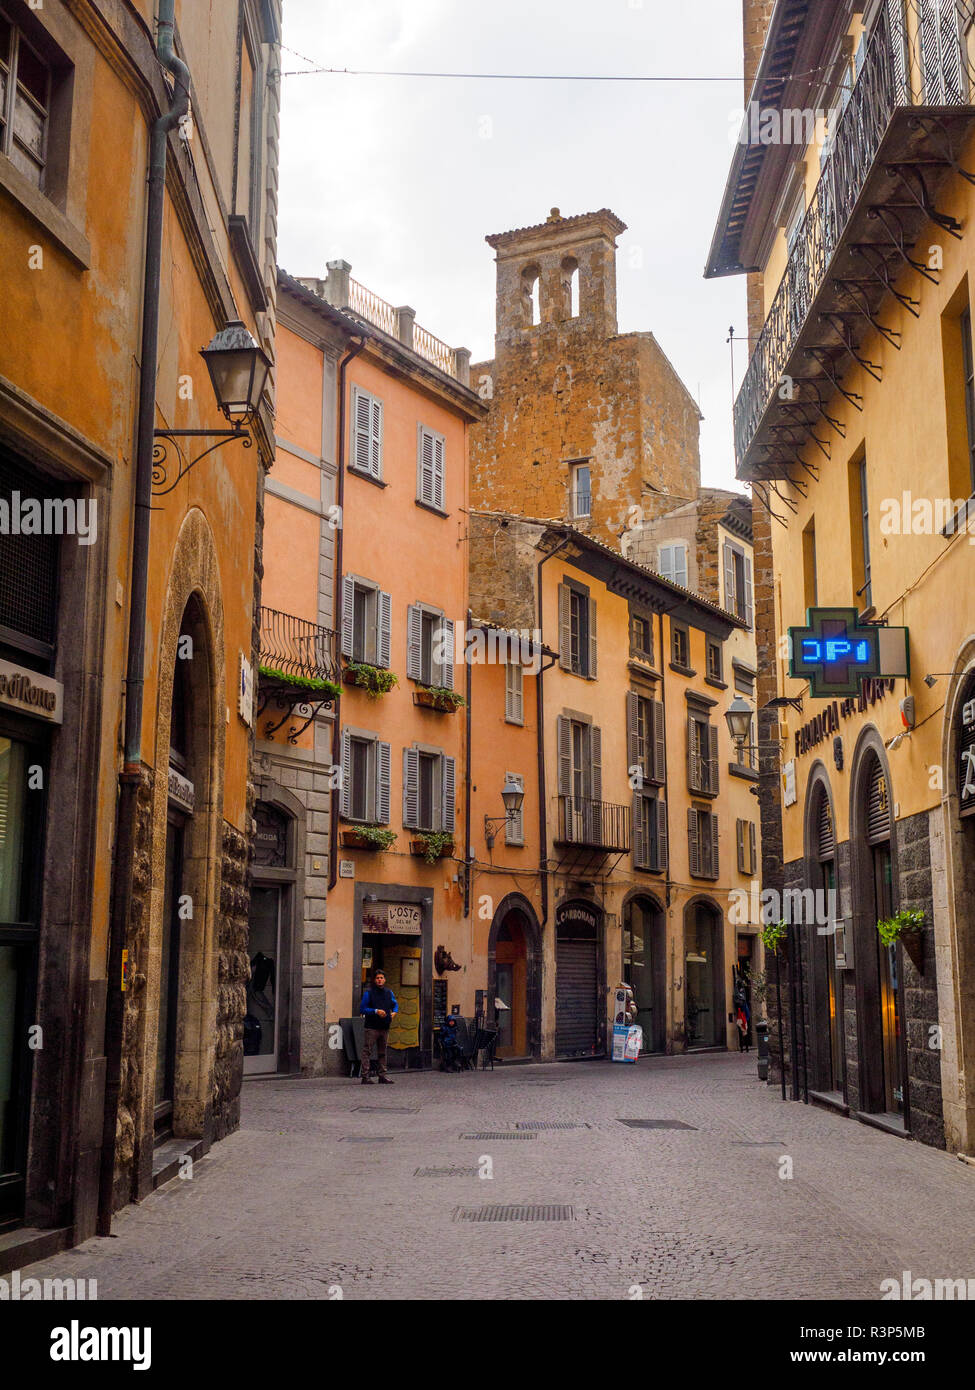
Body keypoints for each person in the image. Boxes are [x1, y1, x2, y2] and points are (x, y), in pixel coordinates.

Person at [359, 969, 398, 1083]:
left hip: (384, 1026)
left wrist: (394, 1012)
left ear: (384, 980)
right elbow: (362, 1009)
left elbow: (395, 1004)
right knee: (367, 1051)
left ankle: (382, 1075)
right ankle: (365, 1076)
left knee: (382, 1052)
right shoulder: (369, 993)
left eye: (381, 978)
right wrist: (376, 1011)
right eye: (377, 978)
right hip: (372, 1027)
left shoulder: (389, 992)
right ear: (374, 980)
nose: (379, 980)